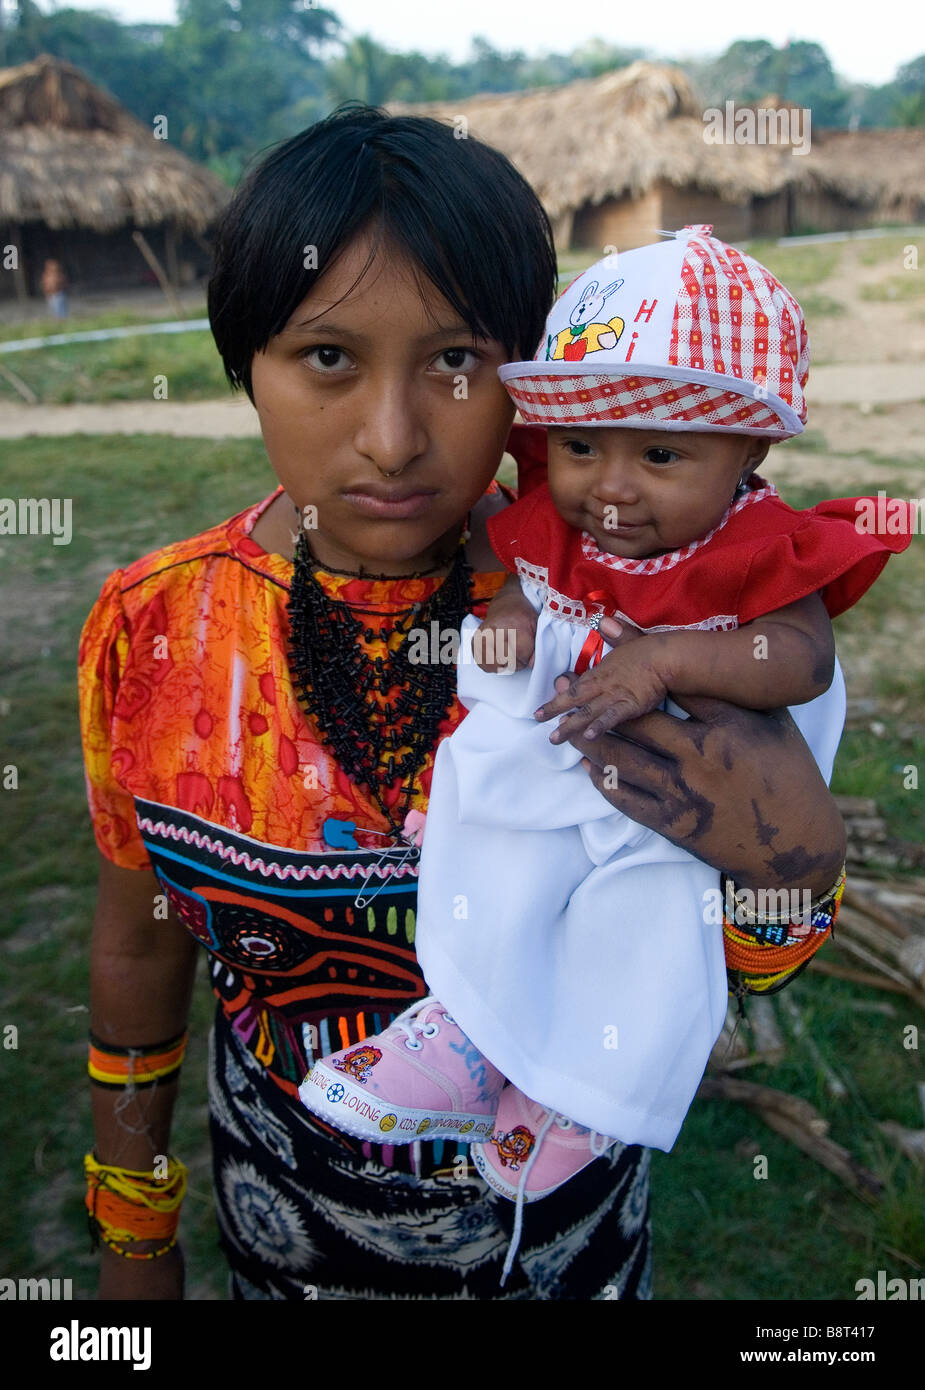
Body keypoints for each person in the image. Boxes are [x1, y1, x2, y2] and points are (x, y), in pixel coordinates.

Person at [77, 109, 848, 1302]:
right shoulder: (157, 630)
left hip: (566, 1254)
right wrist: (131, 1228)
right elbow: (138, 940)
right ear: (246, 362)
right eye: (326, 357)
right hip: (279, 1234)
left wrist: (794, 869)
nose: (391, 441)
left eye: (455, 363)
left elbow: (720, 955)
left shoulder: (626, 621)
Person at [300, 230, 909, 1273]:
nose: (610, 489)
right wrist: (509, 618)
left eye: (661, 454)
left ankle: (586, 1086)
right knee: (503, 861)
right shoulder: (573, 523)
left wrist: (667, 657)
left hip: (680, 794)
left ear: (749, 456)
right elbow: (522, 562)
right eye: (582, 448)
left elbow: (798, 659)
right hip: (558, 755)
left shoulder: (758, 546)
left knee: (645, 921)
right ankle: (464, 1035)